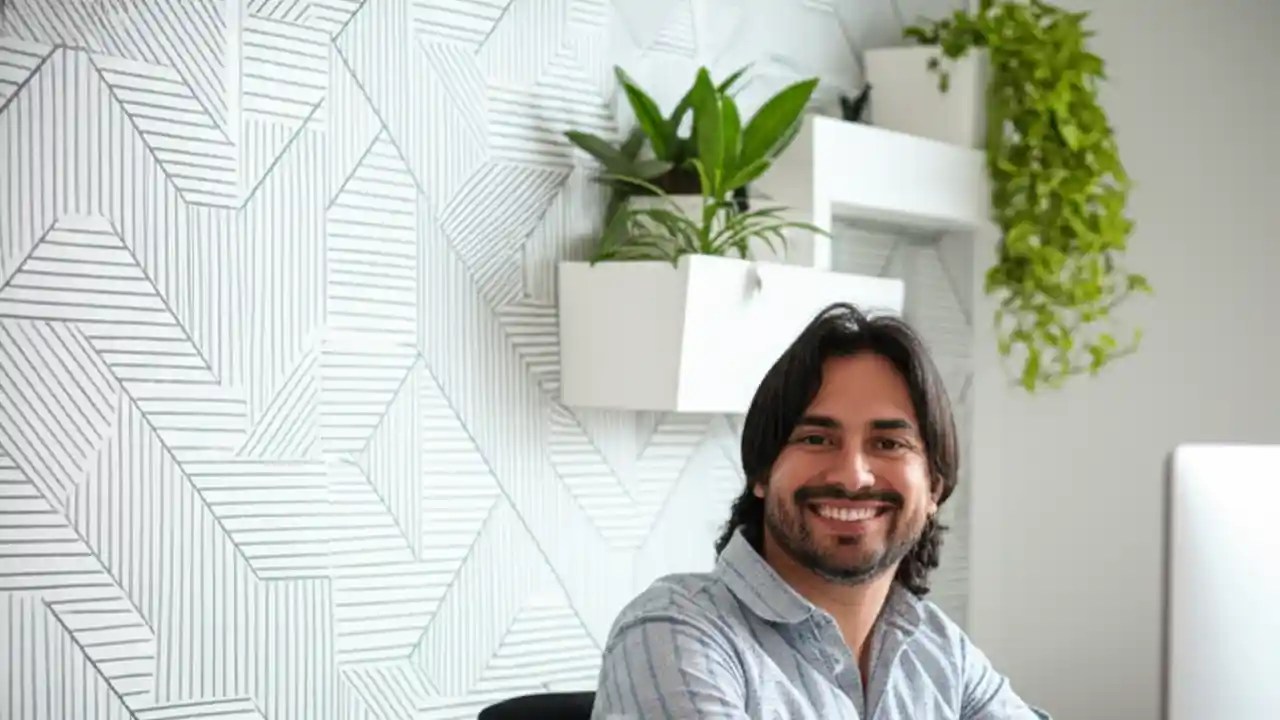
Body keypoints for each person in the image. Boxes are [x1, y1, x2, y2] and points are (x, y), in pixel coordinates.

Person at [590, 303, 1048, 719]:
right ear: (763, 473)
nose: (852, 477)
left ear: (934, 489)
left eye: (888, 443)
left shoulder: (941, 652)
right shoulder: (673, 631)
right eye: (816, 439)